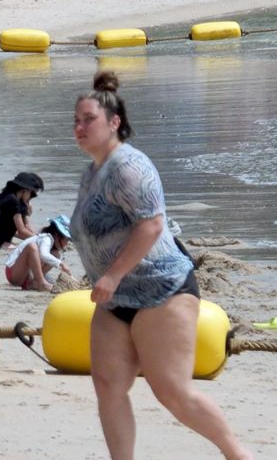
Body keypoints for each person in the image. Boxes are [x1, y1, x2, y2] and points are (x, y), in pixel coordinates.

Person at [70, 71, 252, 460]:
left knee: (172, 391)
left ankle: (239, 455)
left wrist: (113, 274)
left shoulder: (130, 166)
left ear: (114, 122)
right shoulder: (91, 173)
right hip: (115, 298)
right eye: (77, 120)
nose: (79, 127)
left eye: (88, 119)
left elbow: (151, 225)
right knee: (108, 385)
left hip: (162, 291)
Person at [4, 215, 72, 292]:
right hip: (14, 272)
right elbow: (44, 255)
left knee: (56, 255)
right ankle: (41, 282)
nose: (67, 243)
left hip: (26, 275)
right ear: (57, 235)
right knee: (32, 247)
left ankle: (34, 282)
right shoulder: (46, 238)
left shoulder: (51, 245)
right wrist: (61, 264)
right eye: (67, 239)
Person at [0, 172, 42, 249]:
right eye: (31, 194)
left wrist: (35, 237)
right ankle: (3, 243)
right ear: (25, 190)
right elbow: (22, 231)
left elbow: (25, 226)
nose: (30, 198)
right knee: (22, 249)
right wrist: (41, 240)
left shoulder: (7, 194)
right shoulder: (13, 201)